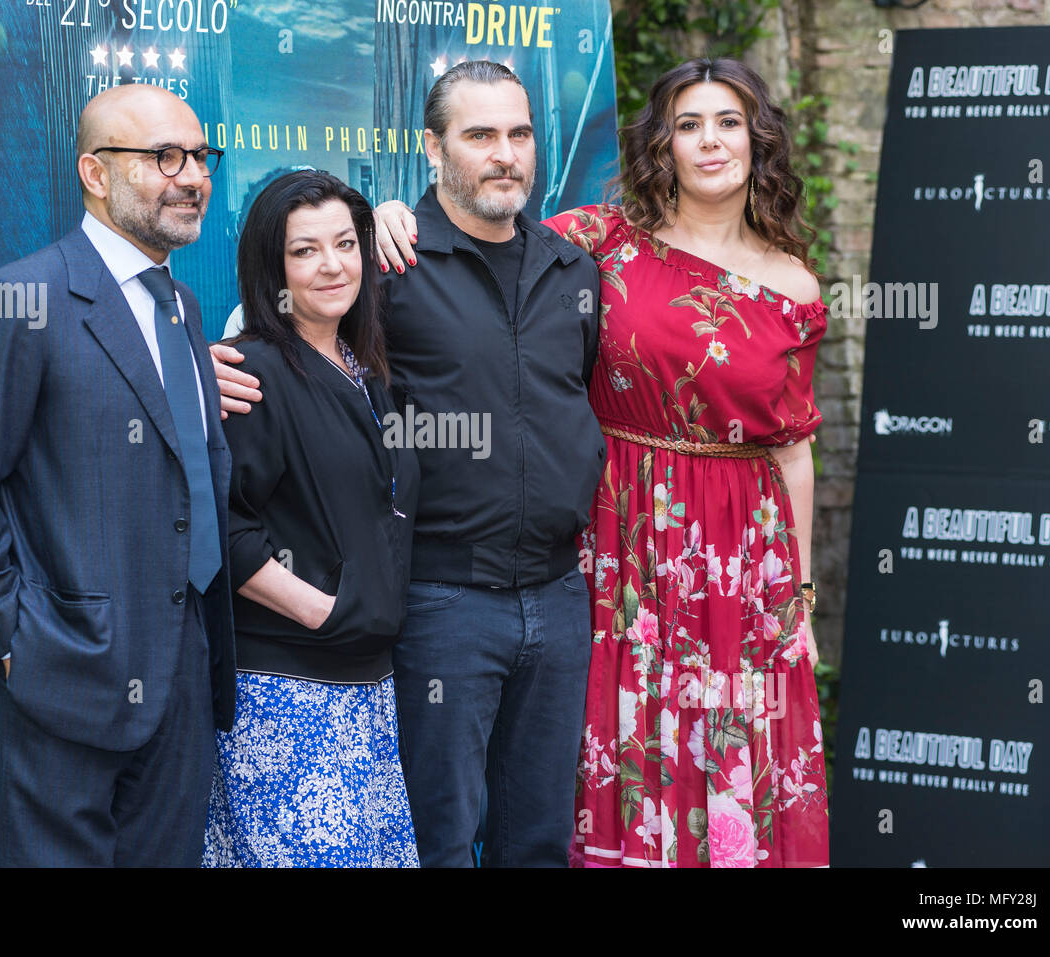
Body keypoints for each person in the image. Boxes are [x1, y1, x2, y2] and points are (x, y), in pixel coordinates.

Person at [372, 57, 830, 867]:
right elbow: (470, 229)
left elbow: (793, 447)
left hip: (736, 562)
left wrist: (796, 588)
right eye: (689, 124)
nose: (711, 141)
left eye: (729, 122)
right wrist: (376, 212)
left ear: (758, 141)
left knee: (688, 756)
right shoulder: (599, 243)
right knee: (584, 774)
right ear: (665, 145)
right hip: (618, 552)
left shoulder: (796, 284)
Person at [211, 61, 605, 867]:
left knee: (538, 840)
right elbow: (285, 333)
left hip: (562, 597)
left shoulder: (575, 272)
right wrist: (203, 364)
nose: (506, 154)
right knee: (436, 837)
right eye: (480, 134)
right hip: (442, 603)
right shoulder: (390, 262)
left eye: (520, 134)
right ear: (433, 147)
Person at [0, 85, 237, 867]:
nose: (192, 175)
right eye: (164, 156)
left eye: (200, 156)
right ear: (96, 174)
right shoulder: (15, 303)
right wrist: (12, 642)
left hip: (181, 680)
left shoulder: (186, 309)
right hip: (58, 676)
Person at [202, 170, 421, 867]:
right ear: (273, 269)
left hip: (368, 689)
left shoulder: (368, 367)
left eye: (345, 243)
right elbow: (223, 525)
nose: (332, 265)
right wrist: (321, 611)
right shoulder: (251, 373)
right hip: (286, 695)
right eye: (304, 251)